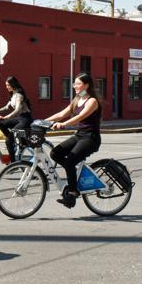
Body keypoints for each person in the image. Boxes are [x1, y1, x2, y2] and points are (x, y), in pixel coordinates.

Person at [45, 73, 102, 209]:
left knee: (70, 161)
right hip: (79, 135)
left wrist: (64, 124)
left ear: (86, 85)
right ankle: (73, 173)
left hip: (90, 137)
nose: (75, 86)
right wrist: (43, 121)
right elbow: (61, 114)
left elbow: (80, 117)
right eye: (74, 84)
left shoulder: (92, 101)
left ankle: (73, 191)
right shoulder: (77, 99)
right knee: (55, 153)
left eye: (78, 84)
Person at [0, 76, 33, 162]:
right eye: (6, 85)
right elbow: (6, 107)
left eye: (8, 85)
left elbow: (17, 110)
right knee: (2, 123)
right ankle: (13, 141)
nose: (6, 87)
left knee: (8, 142)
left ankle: (13, 163)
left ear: (13, 84)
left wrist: (6, 117)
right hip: (19, 118)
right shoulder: (13, 94)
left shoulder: (19, 95)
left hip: (25, 119)